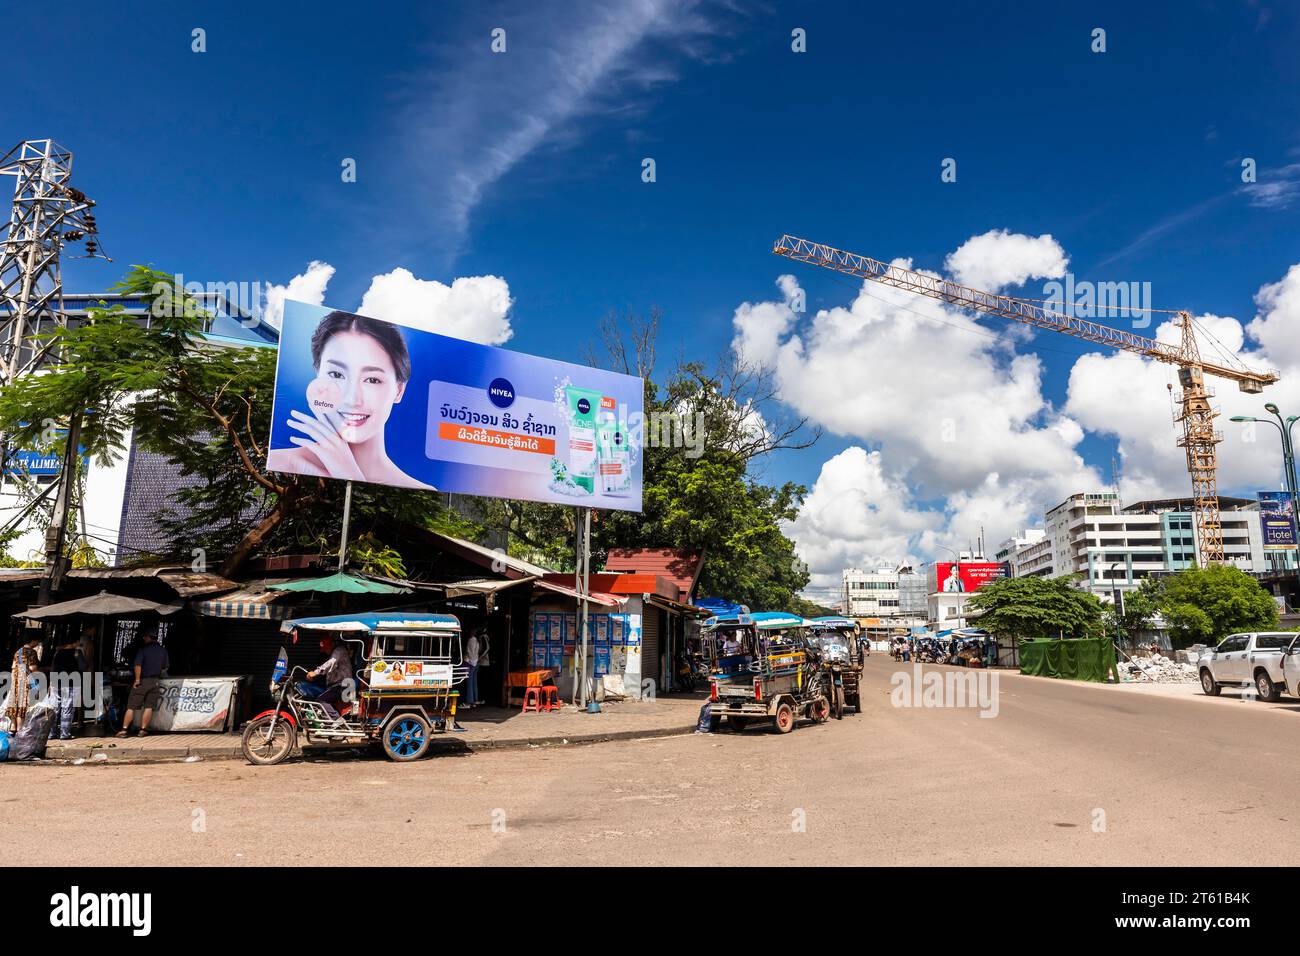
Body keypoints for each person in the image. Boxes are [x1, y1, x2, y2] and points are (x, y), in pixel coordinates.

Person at [267, 310, 434, 489]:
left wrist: (350, 474)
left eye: (372, 380)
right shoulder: (281, 461)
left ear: (399, 390)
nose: (352, 399)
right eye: (336, 374)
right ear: (317, 376)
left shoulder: (422, 489)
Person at [117, 626, 168, 737]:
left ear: (148, 637)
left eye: (145, 637)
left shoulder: (143, 650)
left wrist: (137, 679)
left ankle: (124, 730)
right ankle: (143, 730)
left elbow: (138, 665)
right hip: (155, 681)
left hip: (142, 681)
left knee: (131, 706)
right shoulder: (162, 650)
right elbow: (164, 667)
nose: (144, 639)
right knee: (149, 707)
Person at [299, 636, 353, 716]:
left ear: (331, 645)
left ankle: (336, 720)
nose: (325, 651)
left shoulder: (339, 650)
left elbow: (330, 663)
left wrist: (315, 672)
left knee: (321, 700)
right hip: (337, 686)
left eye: (326, 648)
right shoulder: (334, 652)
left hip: (343, 685)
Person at [48, 636, 85, 740]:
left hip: (55, 682)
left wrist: (50, 683)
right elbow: (83, 666)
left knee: (54, 707)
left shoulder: (57, 652)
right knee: (67, 707)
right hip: (69, 682)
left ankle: (51, 733)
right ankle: (65, 733)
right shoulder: (77, 653)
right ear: (75, 642)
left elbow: (53, 667)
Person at [6, 638, 42, 732]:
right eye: (37, 641)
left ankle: (12, 727)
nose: (37, 643)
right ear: (33, 640)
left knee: (15, 704)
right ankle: (20, 731)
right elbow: (32, 668)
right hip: (25, 682)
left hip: (15, 681)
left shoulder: (18, 651)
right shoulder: (32, 652)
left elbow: (13, 667)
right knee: (22, 706)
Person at [464, 629, 481, 709]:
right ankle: (474, 700)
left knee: (469, 683)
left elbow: (471, 652)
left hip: (471, 663)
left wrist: (471, 662)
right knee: (474, 683)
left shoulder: (471, 640)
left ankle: (469, 701)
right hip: (475, 662)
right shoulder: (477, 640)